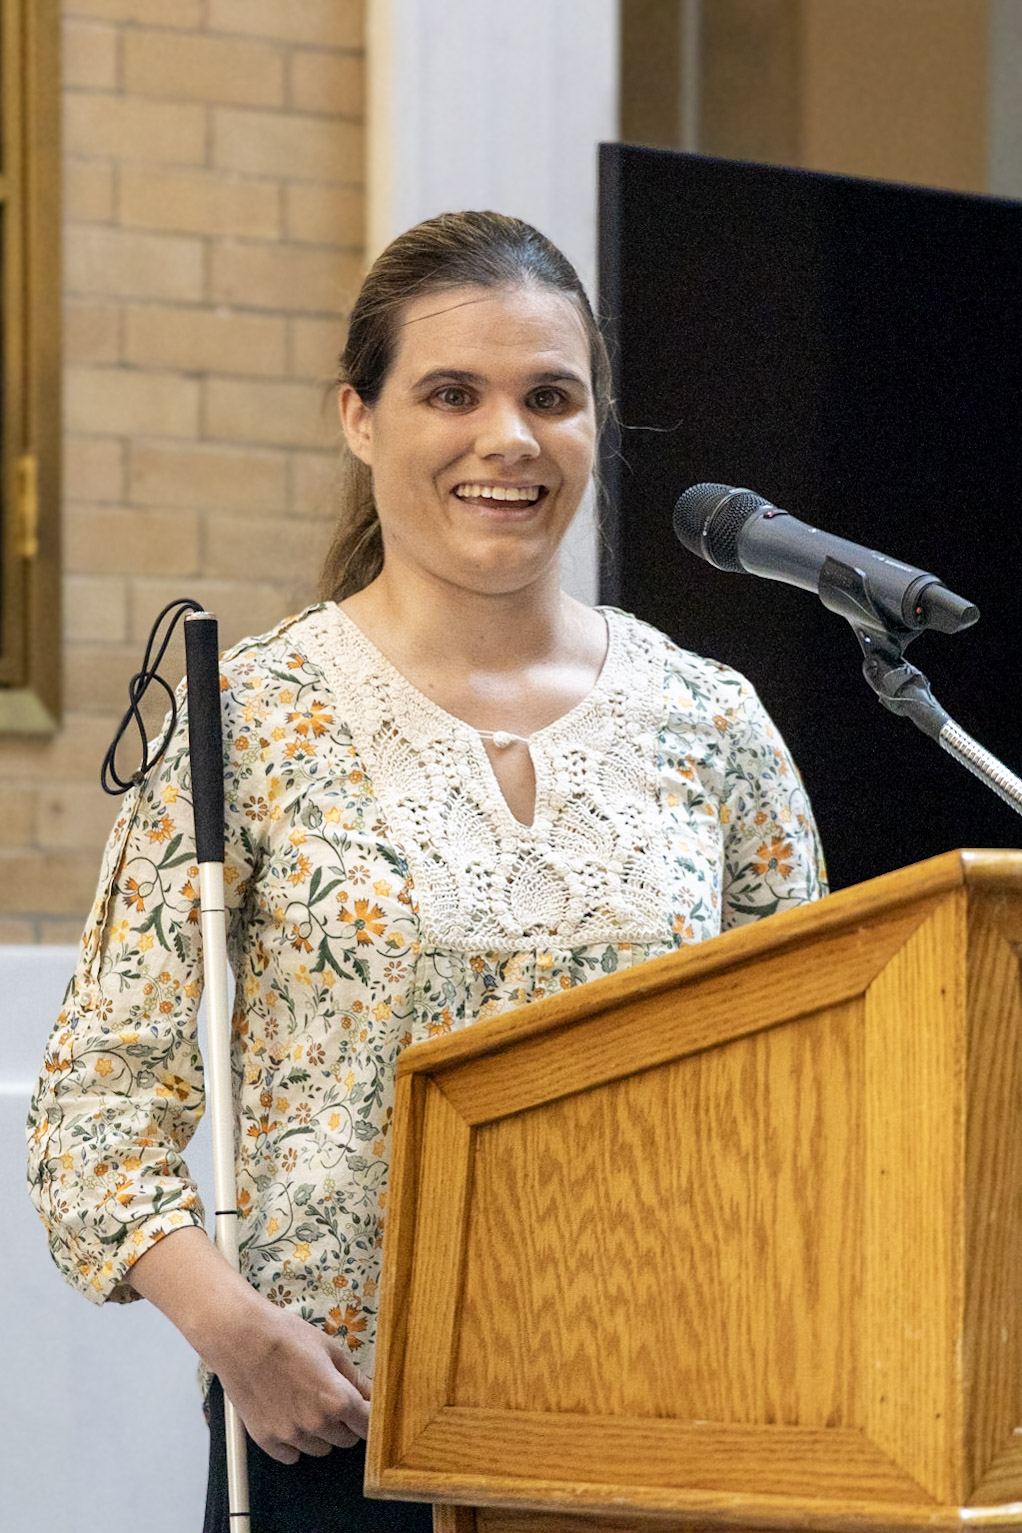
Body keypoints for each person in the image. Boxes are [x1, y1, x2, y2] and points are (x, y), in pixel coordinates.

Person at [27, 210, 827, 1533]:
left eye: (549, 397)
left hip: (665, 1432)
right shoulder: (247, 720)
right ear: (359, 417)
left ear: (596, 423)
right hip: (341, 1440)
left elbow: (808, 1084)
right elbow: (92, 1114)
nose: (505, 438)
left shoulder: (713, 724)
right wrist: (234, 1332)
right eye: (450, 392)